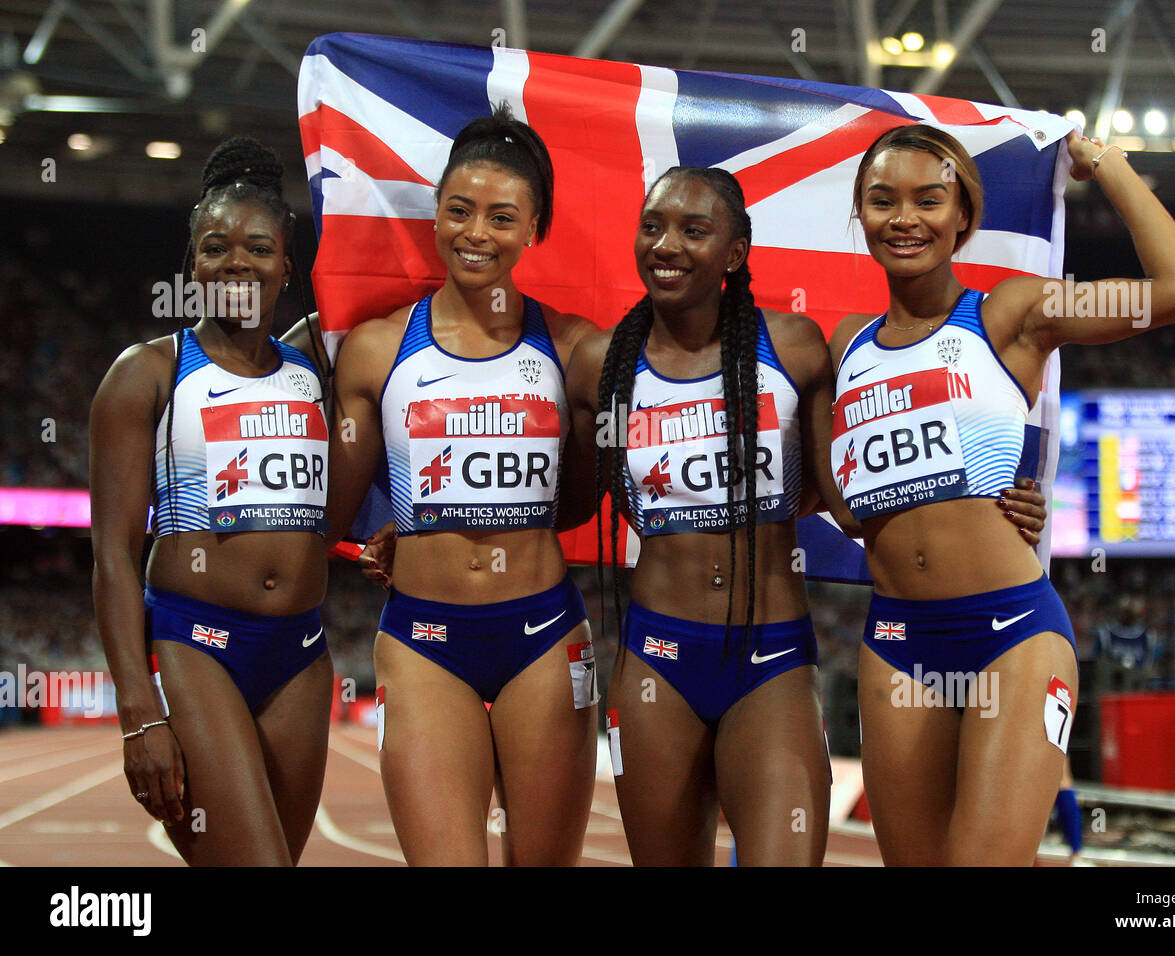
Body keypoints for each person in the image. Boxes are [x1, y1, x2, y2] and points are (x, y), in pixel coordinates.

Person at [562, 166, 1049, 865]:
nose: (666, 244)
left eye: (694, 230)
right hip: (656, 660)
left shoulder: (793, 349)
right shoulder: (598, 366)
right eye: (653, 226)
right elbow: (573, 500)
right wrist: (415, 528)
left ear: (735, 254)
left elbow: (850, 499)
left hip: (773, 659)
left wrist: (993, 495)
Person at [829, 124, 1175, 865]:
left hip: (1012, 632)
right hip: (897, 641)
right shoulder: (847, 344)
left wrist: (1106, 164)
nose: (904, 218)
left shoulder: (1012, 313)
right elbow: (843, 505)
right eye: (883, 200)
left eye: (928, 200)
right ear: (860, 214)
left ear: (963, 216)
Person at [326, 106, 599, 865]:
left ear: (534, 229)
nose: (477, 232)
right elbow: (327, 515)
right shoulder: (378, 350)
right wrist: (391, 531)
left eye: (502, 217)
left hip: (544, 634)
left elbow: (577, 503)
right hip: (423, 640)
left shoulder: (574, 348)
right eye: (460, 211)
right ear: (436, 216)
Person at [90, 138, 334, 865]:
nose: (237, 262)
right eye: (216, 246)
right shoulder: (148, 374)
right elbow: (110, 556)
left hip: (301, 654)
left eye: (259, 247)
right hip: (198, 646)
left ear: (286, 264)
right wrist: (139, 715)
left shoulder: (317, 368)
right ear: (191, 263)